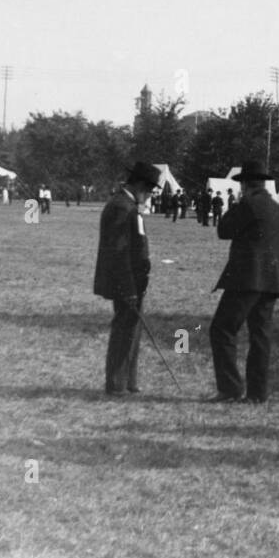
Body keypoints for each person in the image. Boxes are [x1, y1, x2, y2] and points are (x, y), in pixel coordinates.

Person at [207, 160, 279, 405]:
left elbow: (224, 230)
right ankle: (257, 393)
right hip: (271, 280)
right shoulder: (278, 209)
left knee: (221, 330)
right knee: (260, 336)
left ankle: (230, 389)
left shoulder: (248, 204)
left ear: (245, 184)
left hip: (246, 280)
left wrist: (237, 205)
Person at [93, 161, 162, 396]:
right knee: (124, 331)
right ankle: (116, 384)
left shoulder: (128, 205)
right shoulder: (122, 207)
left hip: (135, 280)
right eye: (150, 190)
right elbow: (120, 252)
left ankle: (129, 380)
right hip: (127, 281)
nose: (150, 195)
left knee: (132, 330)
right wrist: (129, 286)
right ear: (141, 185)